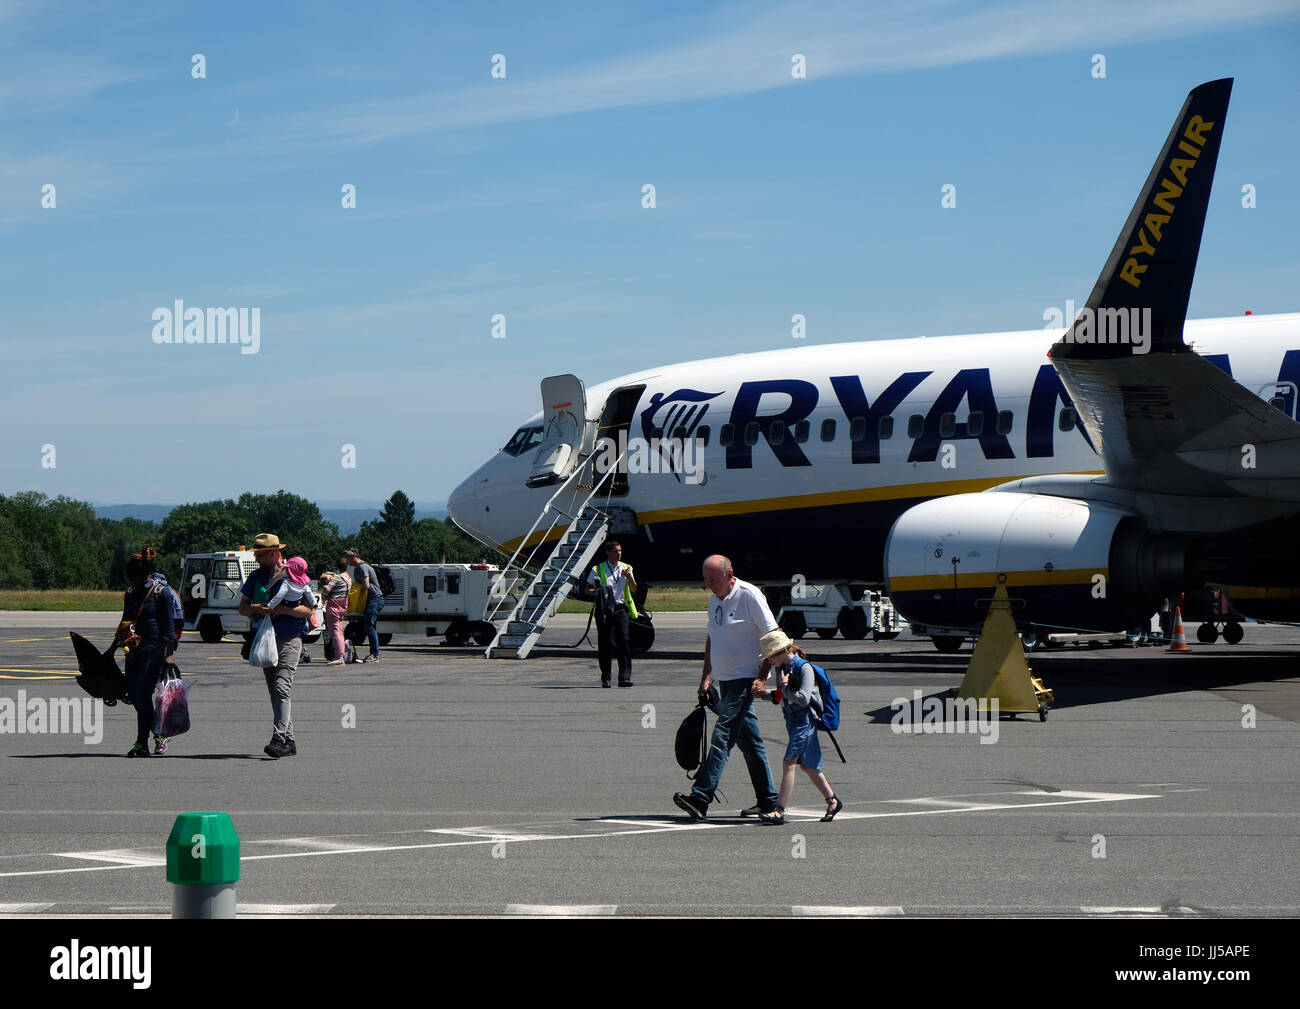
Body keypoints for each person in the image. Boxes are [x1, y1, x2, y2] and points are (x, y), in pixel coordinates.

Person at [673, 554, 780, 820]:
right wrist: (706, 677)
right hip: (724, 679)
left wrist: (763, 677)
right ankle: (768, 800)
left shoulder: (749, 595)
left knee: (722, 736)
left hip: (746, 678)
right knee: (750, 743)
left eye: (713, 579)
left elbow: (773, 636)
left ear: (730, 574)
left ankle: (701, 797)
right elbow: (713, 639)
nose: (709, 584)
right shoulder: (715, 599)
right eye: (706, 579)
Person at [754, 629, 843, 825]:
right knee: (809, 767)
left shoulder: (804, 668)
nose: (768, 661)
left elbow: (803, 699)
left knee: (788, 763)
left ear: (781, 650)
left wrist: (785, 688)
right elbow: (782, 695)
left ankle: (779, 811)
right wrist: (764, 695)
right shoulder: (782, 668)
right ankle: (833, 801)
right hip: (792, 722)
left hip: (805, 722)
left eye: (770, 656)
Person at [238, 533, 314, 758]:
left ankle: (278, 738)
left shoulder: (293, 575)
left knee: (282, 687)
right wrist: (256, 608)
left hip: (290, 637)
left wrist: (284, 610)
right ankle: (289, 740)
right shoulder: (256, 576)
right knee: (275, 691)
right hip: (265, 639)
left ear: (273, 553)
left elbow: (309, 609)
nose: (257, 559)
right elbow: (242, 607)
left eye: (260, 555)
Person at [116, 547, 178, 757]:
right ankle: (158, 733)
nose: (130, 582)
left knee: (142, 696)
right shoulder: (131, 593)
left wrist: (169, 655)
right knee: (134, 696)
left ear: (142, 575)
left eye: (132, 578)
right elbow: (125, 620)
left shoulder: (163, 593)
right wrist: (115, 644)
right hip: (133, 650)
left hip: (154, 652)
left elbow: (169, 627)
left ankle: (142, 743)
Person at [582, 540, 638, 687]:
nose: (618, 553)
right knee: (605, 644)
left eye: (620, 551)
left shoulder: (627, 568)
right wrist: (598, 591)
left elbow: (633, 589)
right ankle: (606, 678)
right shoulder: (598, 569)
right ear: (608, 553)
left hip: (620, 608)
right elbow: (587, 589)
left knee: (623, 642)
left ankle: (624, 678)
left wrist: (629, 577)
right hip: (604, 609)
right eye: (615, 551)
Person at [345, 547, 384, 663]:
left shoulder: (362, 567)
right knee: (370, 626)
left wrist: (355, 593)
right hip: (372, 600)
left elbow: (366, 585)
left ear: (354, 557)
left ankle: (375, 655)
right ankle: (374, 653)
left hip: (375, 599)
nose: (346, 561)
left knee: (369, 626)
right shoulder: (360, 567)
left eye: (348, 558)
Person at [319, 557, 352, 665]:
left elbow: (327, 589)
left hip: (333, 605)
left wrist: (324, 589)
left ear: (337, 566)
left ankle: (339, 657)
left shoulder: (337, 578)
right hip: (343, 605)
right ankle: (341, 654)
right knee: (339, 630)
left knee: (335, 631)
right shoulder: (348, 578)